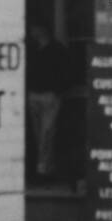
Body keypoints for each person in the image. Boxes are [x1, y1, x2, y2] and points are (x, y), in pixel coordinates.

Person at [25, 22, 69, 180]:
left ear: (42, 29)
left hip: (50, 95)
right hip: (34, 94)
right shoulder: (32, 49)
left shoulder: (57, 50)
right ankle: (44, 165)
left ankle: (43, 168)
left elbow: (66, 71)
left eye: (34, 28)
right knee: (39, 132)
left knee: (47, 131)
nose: (31, 31)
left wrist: (58, 91)